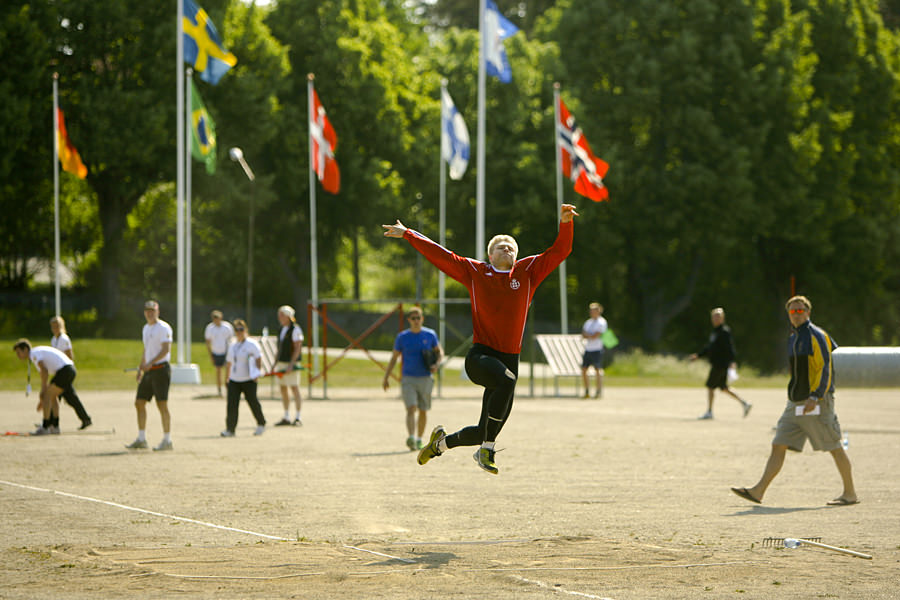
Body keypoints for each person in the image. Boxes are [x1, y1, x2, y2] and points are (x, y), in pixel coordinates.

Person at [383, 203, 578, 474]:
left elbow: (560, 251)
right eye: (501, 246)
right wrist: (409, 234)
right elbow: (443, 256)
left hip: (510, 358)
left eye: (511, 247)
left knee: (482, 429)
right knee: (507, 384)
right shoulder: (475, 272)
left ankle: (441, 444)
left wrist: (566, 223)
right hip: (481, 357)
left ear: (517, 256)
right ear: (489, 254)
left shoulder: (527, 272)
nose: (507, 249)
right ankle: (487, 449)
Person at [731, 295, 858, 506]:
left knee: (834, 446)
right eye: (792, 311)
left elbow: (826, 369)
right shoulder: (794, 336)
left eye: (800, 310)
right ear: (788, 314)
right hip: (795, 403)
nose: (796, 314)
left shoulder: (817, 335)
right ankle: (758, 491)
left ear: (808, 312)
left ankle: (850, 493)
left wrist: (815, 397)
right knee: (778, 444)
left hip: (816, 402)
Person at [382, 306, 444, 451]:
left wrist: (437, 364)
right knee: (411, 408)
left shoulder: (430, 335)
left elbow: (439, 351)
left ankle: (419, 439)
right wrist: (386, 377)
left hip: (426, 378)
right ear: (409, 320)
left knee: (423, 409)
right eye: (413, 318)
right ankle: (411, 436)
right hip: (408, 378)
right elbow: (394, 358)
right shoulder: (402, 337)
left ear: (422, 319)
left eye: (418, 318)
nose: (416, 321)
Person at [126, 300, 174, 451]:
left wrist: (151, 362)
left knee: (162, 404)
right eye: (147, 310)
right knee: (139, 402)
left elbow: (165, 349)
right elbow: (147, 349)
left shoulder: (163, 327)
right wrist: (142, 367)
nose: (150, 313)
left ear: (157, 312)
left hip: (160, 370)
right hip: (149, 370)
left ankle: (167, 440)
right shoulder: (146, 328)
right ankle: (141, 438)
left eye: (152, 310)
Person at [13, 339, 86, 435]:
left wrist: (43, 390)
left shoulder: (33, 354)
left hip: (65, 371)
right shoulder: (36, 352)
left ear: (26, 349)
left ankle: (45, 426)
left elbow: (44, 370)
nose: (18, 356)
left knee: (47, 395)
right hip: (69, 370)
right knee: (52, 396)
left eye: (19, 352)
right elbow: (44, 373)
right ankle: (54, 426)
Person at [689, 307, 751, 419]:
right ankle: (744, 403)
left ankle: (709, 412)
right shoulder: (715, 332)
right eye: (714, 316)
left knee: (710, 386)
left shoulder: (724, 332)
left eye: (718, 316)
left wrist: (732, 361)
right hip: (718, 364)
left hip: (720, 364)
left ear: (722, 318)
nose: (715, 318)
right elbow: (709, 348)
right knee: (723, 388)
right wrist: (698, 355)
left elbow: (730, 348)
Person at [220, 319, 266, 437]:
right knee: (232, 405)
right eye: (237, 330)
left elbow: (258, 358)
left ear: (245, 330)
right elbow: (229, 363)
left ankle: (261, 423)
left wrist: (257, 373)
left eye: (241, 329)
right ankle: (230, 429)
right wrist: (227, 378)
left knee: (253, 402)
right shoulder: (233, 345)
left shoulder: (252, 344)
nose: (239, 332)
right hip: (235, 379)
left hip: (249, 379)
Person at [49, 315, 92, 429]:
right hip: (59, 372)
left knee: (53, 394)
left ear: (62, 326)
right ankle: (85, 418)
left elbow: (69, 356)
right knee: (71, 398)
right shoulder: (54, 340)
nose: (55, 328)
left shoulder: (64, 339)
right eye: (53, 326)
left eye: (57, 326)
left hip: (65, 372)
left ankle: (50, 421)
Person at [274, 305, 304, 426]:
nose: (279, 317)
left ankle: (298, 416)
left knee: (294, 388)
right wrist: (274, 363)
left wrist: (292, 364)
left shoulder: (295, 329)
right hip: (282, 361)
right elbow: (279, 348)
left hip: (291, 362)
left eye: (282, 315)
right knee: (283, 388)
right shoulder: (281, 329)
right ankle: (286, 415)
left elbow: (297, 348)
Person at [204, 310, 235, 397]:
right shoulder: (210, 328)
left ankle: (227, 387)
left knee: (227, 370)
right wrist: (211, 354)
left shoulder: (227, 327)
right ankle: (219, 389)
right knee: (218, 370)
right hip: (216, 352)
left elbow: (232, 339)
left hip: (226, 351)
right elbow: (208, 342)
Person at [580, 302, 607, 399]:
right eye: (591, 311)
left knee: (597, 370)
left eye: (594, 310)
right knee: (584, 370)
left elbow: (596, 335)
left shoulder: (602, 322)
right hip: (588, 349)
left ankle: (598, 390)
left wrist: (589, 336)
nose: (591, 312)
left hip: (597, 349)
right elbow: (583, 334)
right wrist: (589, 336)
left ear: (598, 311)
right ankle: (587, 390)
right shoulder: (588, 322)